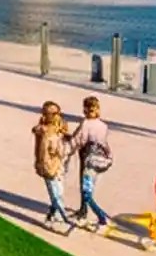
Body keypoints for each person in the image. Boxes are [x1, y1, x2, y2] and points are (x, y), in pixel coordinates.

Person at [68, 96, 112, 232]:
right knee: (90, 184)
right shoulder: (103, 125)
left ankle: (96, 215)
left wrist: (68, 149)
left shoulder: (85, 124)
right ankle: (83, 209)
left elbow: (77, 140)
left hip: (87, 159)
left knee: (85, 187)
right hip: (100, 159)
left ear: (85, 109)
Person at [33, 101, 73, 224]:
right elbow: (36, 131)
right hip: (47, 164)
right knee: (54, 191)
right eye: (49, 113)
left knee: (59, 190)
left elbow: (67, 142)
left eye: (55, 113)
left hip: (60, 163)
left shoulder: (61, 126)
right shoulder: (43, 130)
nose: (53, 116)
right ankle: (59, 215)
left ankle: (55, 213)